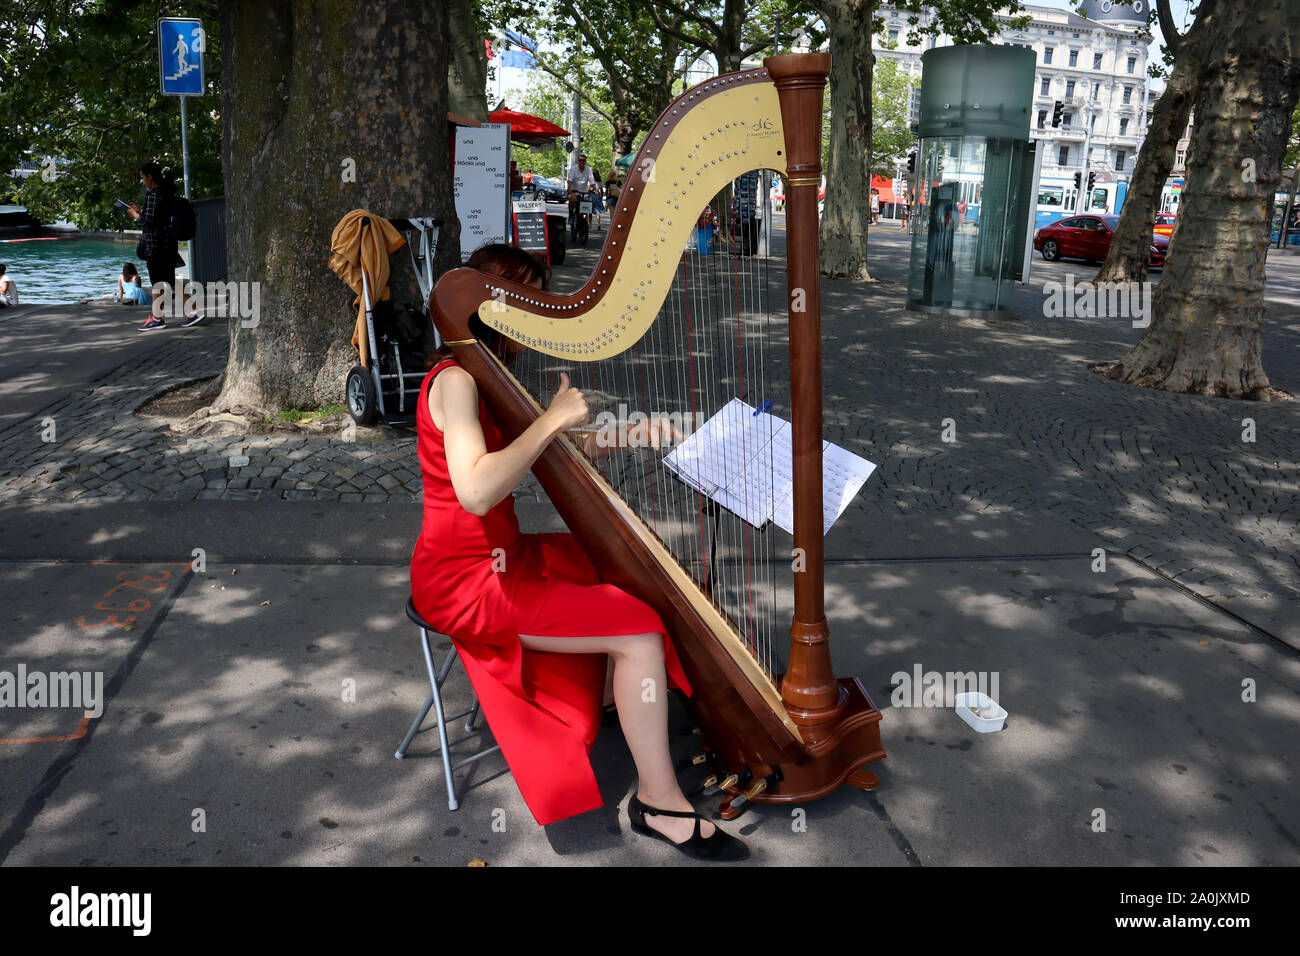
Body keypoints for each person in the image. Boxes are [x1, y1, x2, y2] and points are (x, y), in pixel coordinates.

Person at [411, 243, 748, 860]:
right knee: (641, 628)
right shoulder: (458, 381)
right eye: (525, 304)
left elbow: (567, 453)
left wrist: (637, 432)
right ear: (490, 306)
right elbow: (479, 489)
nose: (533, 319)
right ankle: (660, 803)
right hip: (467, 582)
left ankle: (631, 700)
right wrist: (552, 419)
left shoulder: (487, 375)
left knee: (612, 561)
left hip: (503, 557)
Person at [127, 160, 203, 331]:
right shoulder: (165, 194)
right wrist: (141, 212)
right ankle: (191, 312)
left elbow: (148, 221)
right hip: (168, 244)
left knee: (157, 283)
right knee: (168, 280)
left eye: (143, 178)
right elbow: (156, 217)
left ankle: (158, 318)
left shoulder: (155, 195)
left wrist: (135, 215)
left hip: (156, 246)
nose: (143, 182)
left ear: (150, 177)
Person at [565, 153, 597, 231]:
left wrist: (595, 189)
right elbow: (569, 181)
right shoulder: (573, 169)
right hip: (575, 191)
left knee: (587, 205)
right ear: (578, 161)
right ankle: (571, 215)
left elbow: (592, 181)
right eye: (580, 160)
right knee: (572, 200)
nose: (582, 162)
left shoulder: (588, 169)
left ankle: (584, 221)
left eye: (583, 160)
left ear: (585, 161)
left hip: (584, 192)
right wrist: (570, 191)